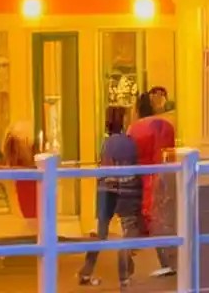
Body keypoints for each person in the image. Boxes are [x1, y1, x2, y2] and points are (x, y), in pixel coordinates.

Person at [79, 107, 143, 287]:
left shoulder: (105, 143)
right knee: (128, 229)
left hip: (105, 188)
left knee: (100, 233)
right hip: (126, 188)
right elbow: (134, 167)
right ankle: (124, 275)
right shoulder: (129, 143)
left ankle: (86, 271)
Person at [128, 91, 178, 278]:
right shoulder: (167, 125)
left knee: (152, 219)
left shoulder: (135, 129)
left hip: (146, 178)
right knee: (168, 218)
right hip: (169, 174)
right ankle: (172, 260)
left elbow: (133, 155)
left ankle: (164, 261)